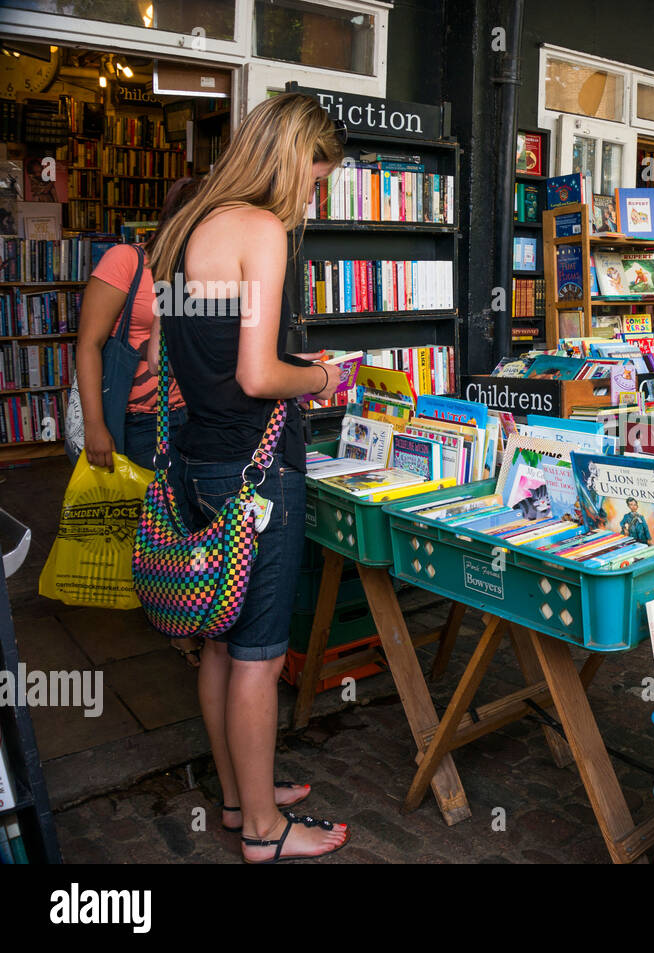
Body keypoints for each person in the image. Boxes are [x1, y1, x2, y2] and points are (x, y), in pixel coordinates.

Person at [143, 93, 347, 863]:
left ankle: (239, 798)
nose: (313, 197)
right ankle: (266, 831)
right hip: (255, 475)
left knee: (219, 648)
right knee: (260, 653)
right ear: (293, 157)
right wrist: (324, 375)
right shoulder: (262, 230)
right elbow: (258, 374)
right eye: (317, 178)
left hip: (198, 461)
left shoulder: (188, 225)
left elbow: (197, 362)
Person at [78, 178, 204, 667]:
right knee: (157, 518)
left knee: (179, 518)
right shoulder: (127, 262)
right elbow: (89, 343)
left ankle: (174, 611)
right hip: (136, 419)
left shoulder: (198, 271)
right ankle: (172, 622)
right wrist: (95, 425)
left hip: (188, 415)